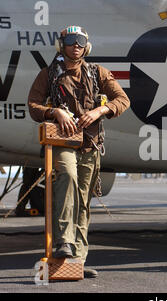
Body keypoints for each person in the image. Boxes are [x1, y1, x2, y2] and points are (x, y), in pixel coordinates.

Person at [28, 25, 130, 278]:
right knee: (68, 179)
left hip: (90, 143)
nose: (76, 44)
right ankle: (64, 242)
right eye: (71, 40)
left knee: (83, 200)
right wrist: (55, 112)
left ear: (87, 45)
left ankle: (77, 262)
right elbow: (33, 106)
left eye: (81, 40)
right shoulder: (49, 75)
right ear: (61, 45)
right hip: (63, 141)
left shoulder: (97, 73)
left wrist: (101, 110)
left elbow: (122, 99)